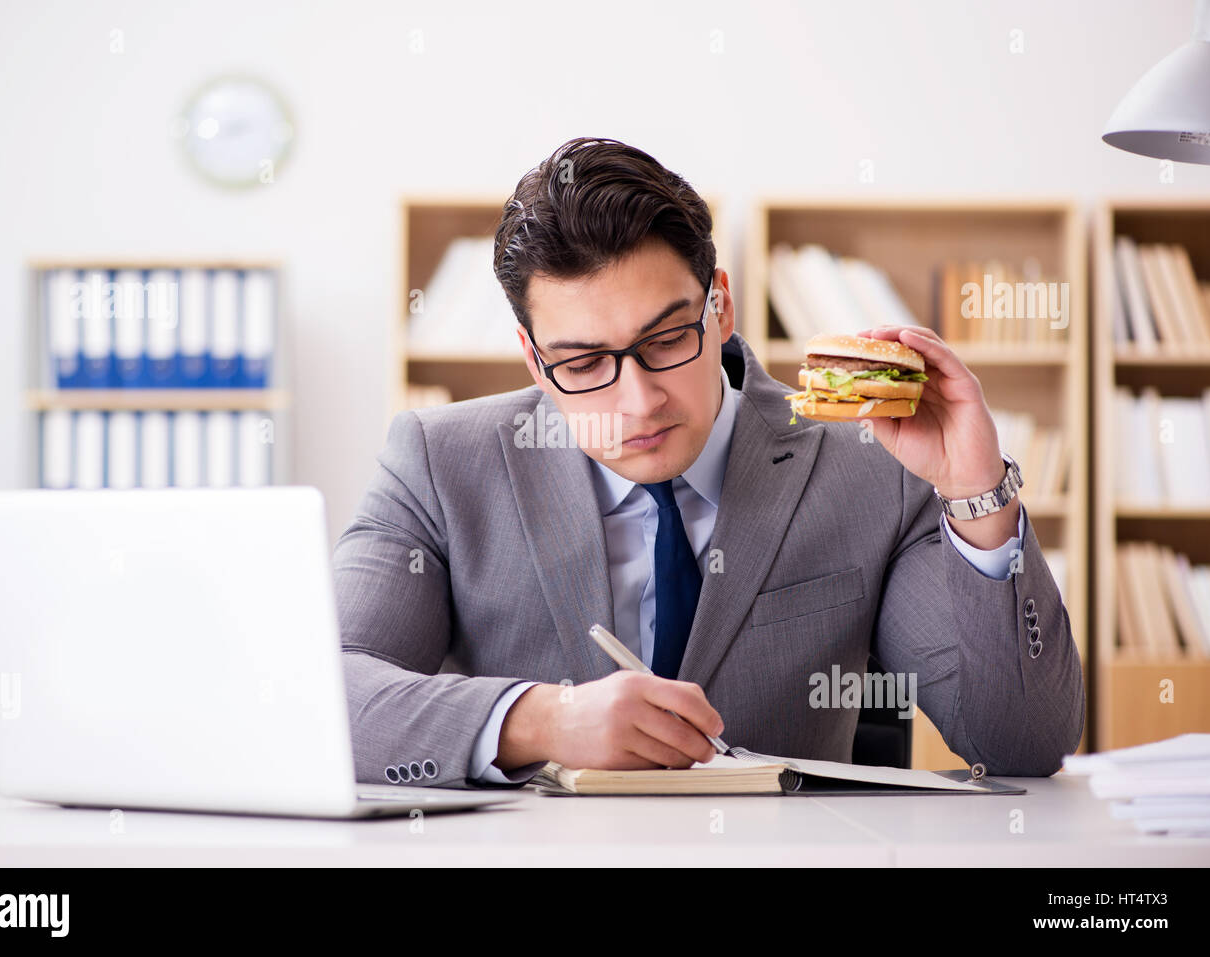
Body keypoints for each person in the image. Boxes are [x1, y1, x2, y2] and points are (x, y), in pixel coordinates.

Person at [331, 137, 1084, 789]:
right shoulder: (439, 463)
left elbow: (1021, 746)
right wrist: (541, 719)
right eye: (585, 361)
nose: (637, 402)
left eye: (664, 341)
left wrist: (977, 493)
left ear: (719, 305)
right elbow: (324, 693)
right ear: (533, 359)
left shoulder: (870, 468)